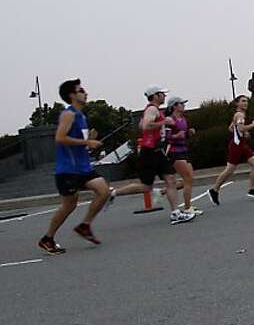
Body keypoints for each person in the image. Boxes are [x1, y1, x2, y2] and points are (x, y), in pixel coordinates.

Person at [38, 79, 111, 254]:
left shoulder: (82, 117)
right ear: (72, 95)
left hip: (84, 168)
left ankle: (85, 225)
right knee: (68, 206)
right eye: (81, 90)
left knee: (104, 191)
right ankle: (47, 238)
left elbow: (78, 144)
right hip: (68, 169)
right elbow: (60, 138)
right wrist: (87, 141)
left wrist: (89, 139)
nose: (85, 93)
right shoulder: (68, 114)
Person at [109, 86, 194, 224]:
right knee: (147, 186)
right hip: (150, 150)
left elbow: (142, 124)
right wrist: (163, 122)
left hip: (156, 150)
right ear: (155, 95)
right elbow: (145, 126)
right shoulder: (152, 109)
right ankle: (113, 193)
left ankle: (175, 213)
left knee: (170, 179)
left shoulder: (152, 110)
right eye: (162, 94)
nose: (164, 96)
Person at [208, 94, 254, 203]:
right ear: (237, 103)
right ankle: (214, 190)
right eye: (243, 101)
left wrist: (242, 133)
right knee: (229, 170)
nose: (245, 103)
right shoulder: (240, 115)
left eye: (247, 101)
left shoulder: (239, 115)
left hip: (242, 145)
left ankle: (253, 189)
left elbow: (231, 128)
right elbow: (240, 127)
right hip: (236, 146)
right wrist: (253, 125)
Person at [165, 96, 204, 215]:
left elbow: (183, 135)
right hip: (174, 152)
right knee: (187, 178)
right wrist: (176, 136)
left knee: (190, 178)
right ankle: (187, 208)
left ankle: (165, 192)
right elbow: (166, 136)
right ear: (175, 106)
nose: (184, 105)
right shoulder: (169, 119)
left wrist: (188, 133)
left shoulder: (183, 119)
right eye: (182, 103)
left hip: (184, 150)